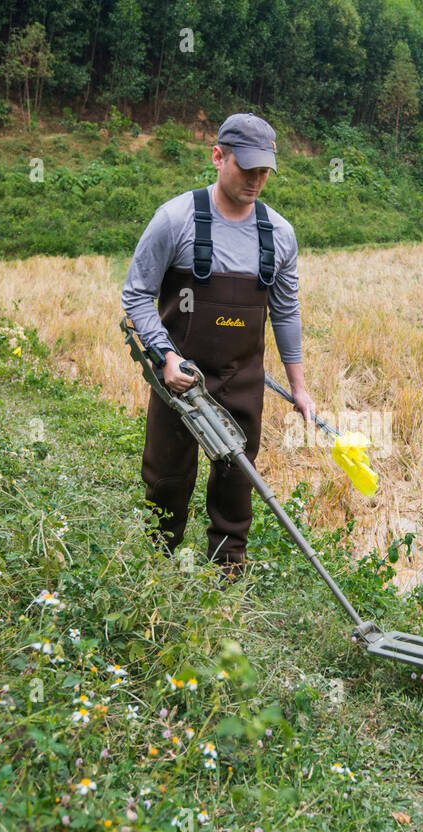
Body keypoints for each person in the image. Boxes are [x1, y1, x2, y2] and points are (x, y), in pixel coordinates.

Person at [121, 112, 316, 576]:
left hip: (242, 375)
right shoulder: (175, 219)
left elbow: (286, 312)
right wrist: (165, 356)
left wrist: (300, 387)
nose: (255, 179)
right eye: (245, 168)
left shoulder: (280, 234)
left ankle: (227, 571)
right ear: (216, 156)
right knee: (168, 477)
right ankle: (157, 565)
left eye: (264, 171)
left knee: (237, 477)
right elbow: (136, 294)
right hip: (181, 375)